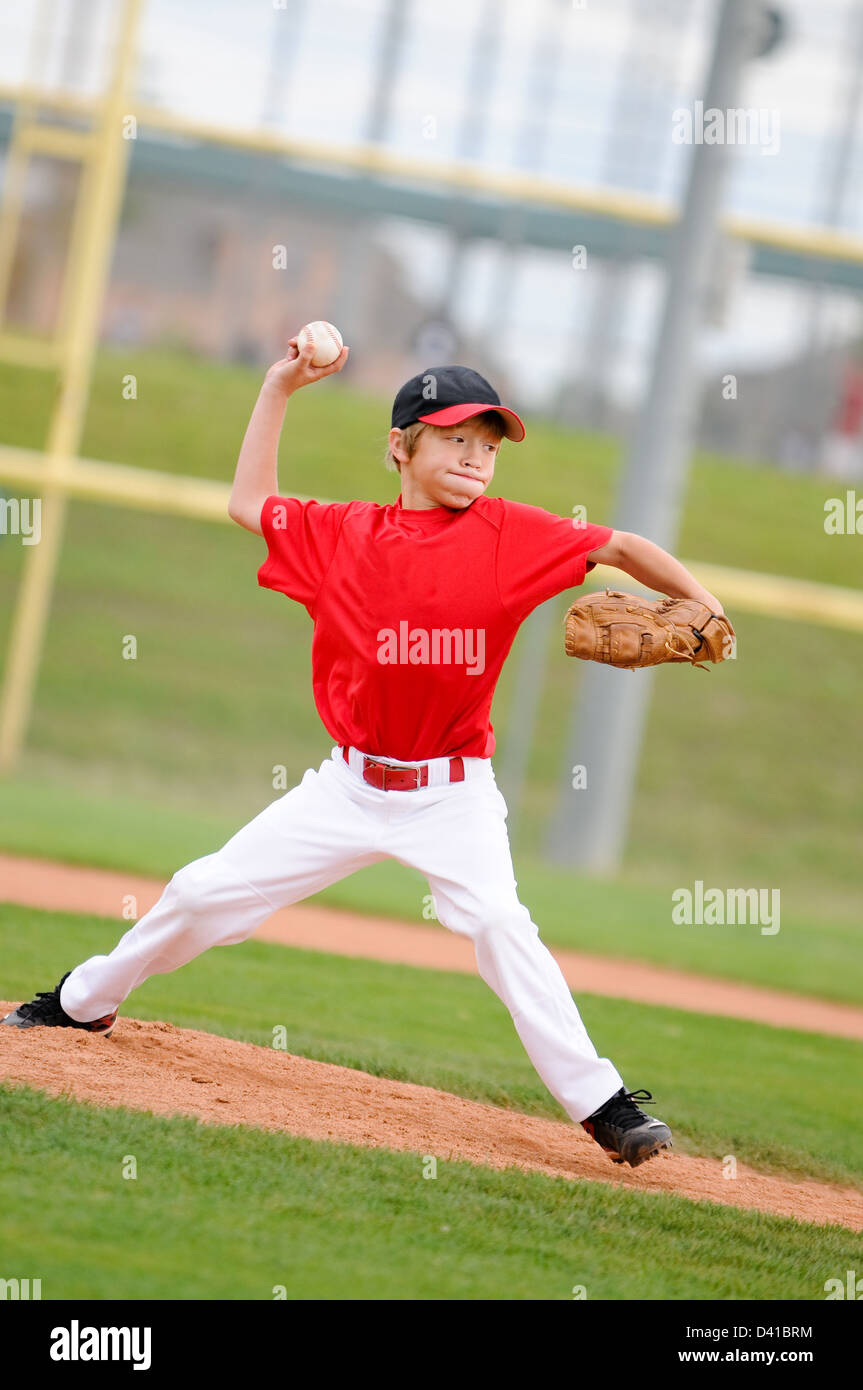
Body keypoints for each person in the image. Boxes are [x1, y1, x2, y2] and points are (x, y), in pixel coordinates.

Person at [3, 333, 726, 1168]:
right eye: (455, 437)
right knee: (204, 892)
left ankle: (602, 1104)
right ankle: (82, 1001)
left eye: (488, 444)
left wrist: (707, 606)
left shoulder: (511, 535)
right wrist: (279, 387)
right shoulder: (341, 535)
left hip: (451, 792)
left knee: (497, 921)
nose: (475, 456)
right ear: (400, 445)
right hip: (345, 788)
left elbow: (622, 547)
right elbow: (249, 502)